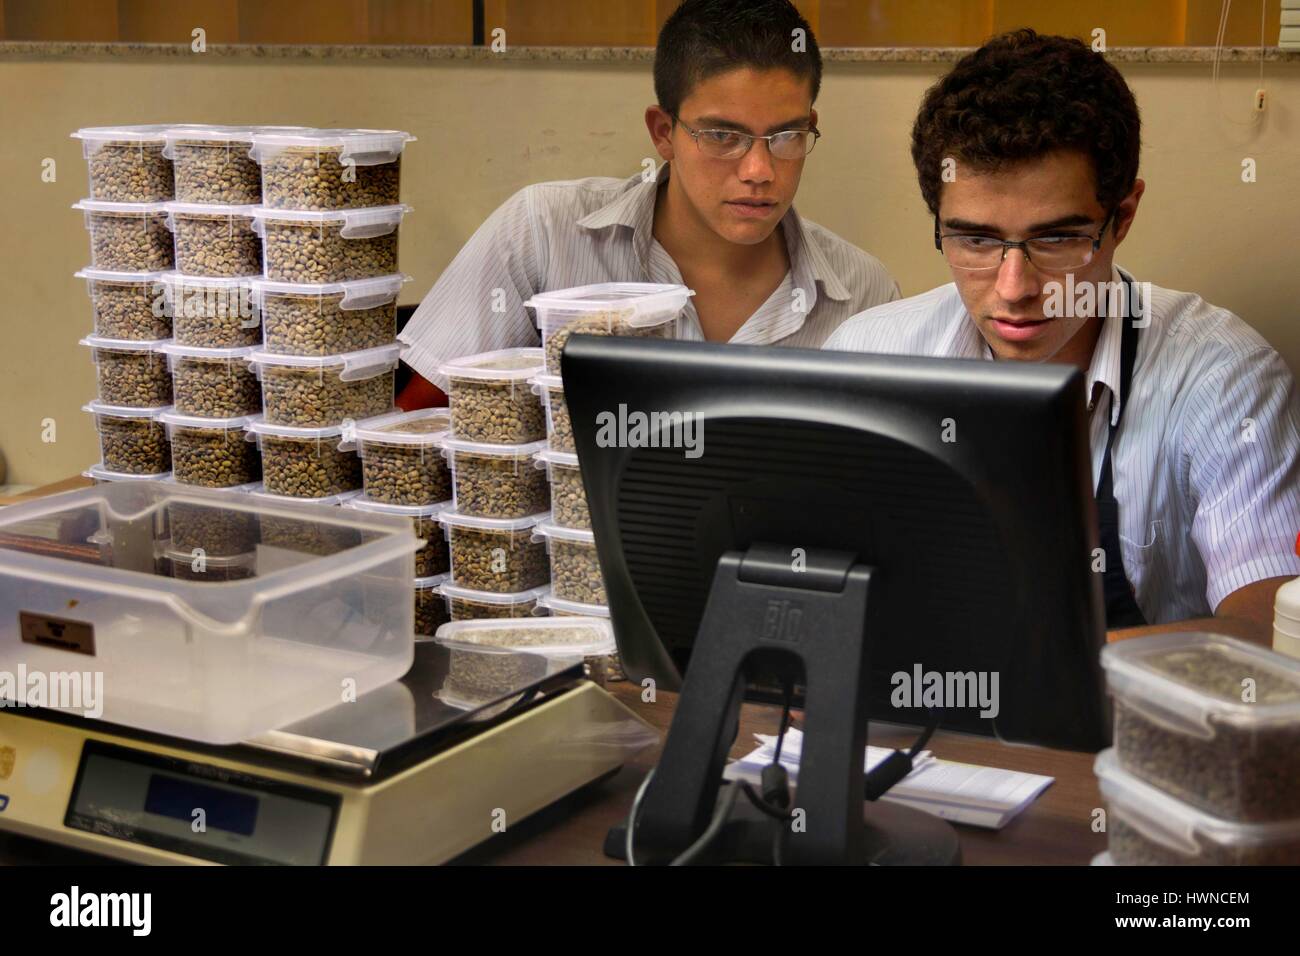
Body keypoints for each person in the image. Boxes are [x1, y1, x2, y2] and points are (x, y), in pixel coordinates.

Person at [824, 29, 1300, 642]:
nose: (1014, 286)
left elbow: (1269, 633)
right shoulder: (868, 356)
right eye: (976, 240)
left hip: (1135, 731)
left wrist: (1033, 667)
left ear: (1121, 218)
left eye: (1055, 239)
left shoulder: (1220, 375)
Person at [397, 0, 897, 406]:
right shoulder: (543, 232)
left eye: (787, 136)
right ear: (663, 133)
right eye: (723, 135)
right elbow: (418, 435)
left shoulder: (863, 293)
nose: (759, 171)